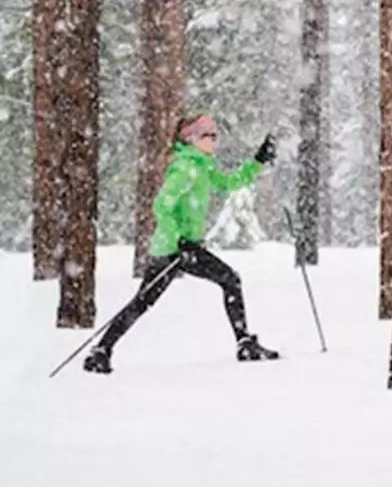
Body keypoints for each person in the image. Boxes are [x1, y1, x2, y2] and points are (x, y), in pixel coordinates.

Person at [83, 114, 281, 374]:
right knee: (225, 281)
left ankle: (102, 351)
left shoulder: (201, 166)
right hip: (173, 248)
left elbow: (230, 182)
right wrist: (178, 242)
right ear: (191, 139)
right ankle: (101, 351)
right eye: (207, 135)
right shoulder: (186, 167)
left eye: (215, 134)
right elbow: (161, 206)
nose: (214, 139)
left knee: (150, 300)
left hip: (183, 247)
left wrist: (258, 161)